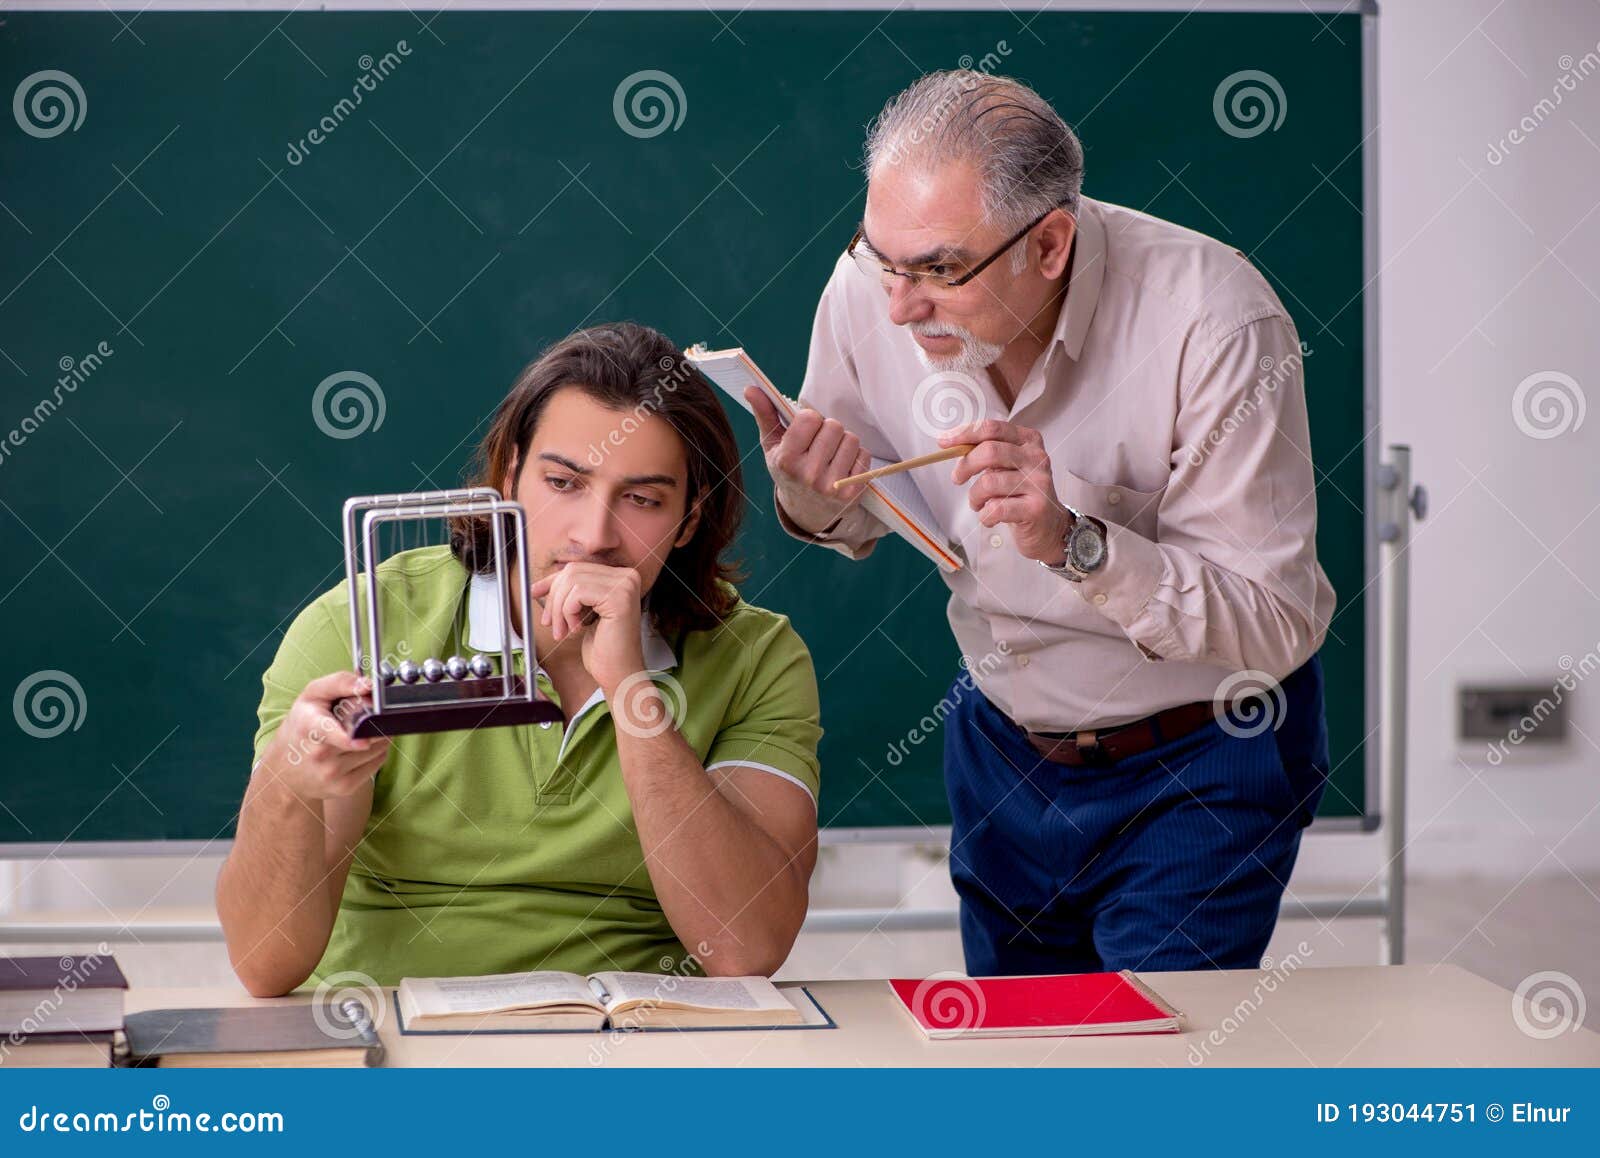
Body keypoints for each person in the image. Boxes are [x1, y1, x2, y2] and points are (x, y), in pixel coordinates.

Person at [749, 71, 1336, 975]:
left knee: (1151, 1045)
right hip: (1003, 750)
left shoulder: (1214, 317)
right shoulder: (872, 286)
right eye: (882, 259)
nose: (900, 306)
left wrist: (1074, 543)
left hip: (1203, 752)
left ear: (1050, 245)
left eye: (939, 271)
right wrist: (811, 496)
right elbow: (849, 510)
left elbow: (1278, 621)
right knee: (1016, 1044)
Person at [218, 323, 822, 994]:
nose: (593, 537)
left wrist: (630, 689)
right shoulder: (359, 625)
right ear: (509, 476)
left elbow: (746, 948)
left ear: (689, 519)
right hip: (394, 1026)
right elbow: (264, 963)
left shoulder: (757, 658)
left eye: (642, 500)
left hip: (637, 1034)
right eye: (563, 483)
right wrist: (290, 781)